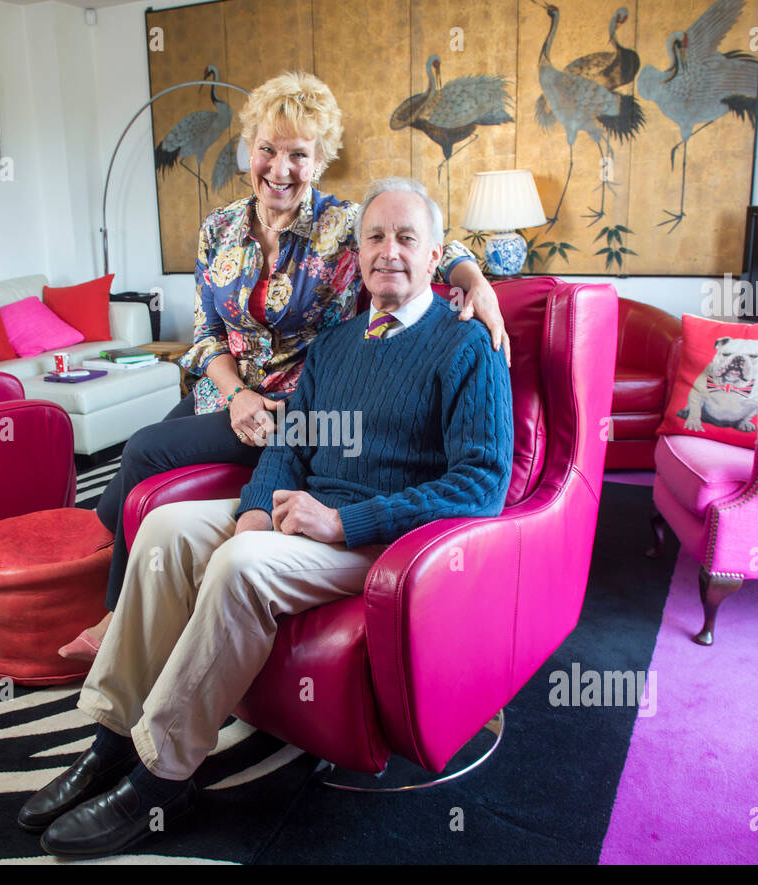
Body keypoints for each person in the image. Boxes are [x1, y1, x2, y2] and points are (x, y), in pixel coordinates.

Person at [20, 176, 514, 858]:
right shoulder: (336, 344)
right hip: (302, 514)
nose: (388, 252)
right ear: (357, 254)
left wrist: (345, 524)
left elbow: (481, 485)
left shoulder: (468, 344)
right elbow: (288, 445)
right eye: (375, 237)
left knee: (240, 566)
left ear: (436, 256)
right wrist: (255, 511)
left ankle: (163, 772)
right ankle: (112, 736)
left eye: (407, 238)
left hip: (382, 537)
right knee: (163, 531)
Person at [59, 71, 509, 662]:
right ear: (250, 150)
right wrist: (232, 393)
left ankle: (118, 609)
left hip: (293, 404)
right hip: (229, 391)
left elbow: (419, 243)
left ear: (318, 161)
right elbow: (205, 331)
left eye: (298, 154)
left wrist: (477, 281)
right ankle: (114, 554)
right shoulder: (219, 228)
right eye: (268, 149)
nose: (280, 168)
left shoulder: (342, 224)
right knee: (135, 465)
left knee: (143, 448)